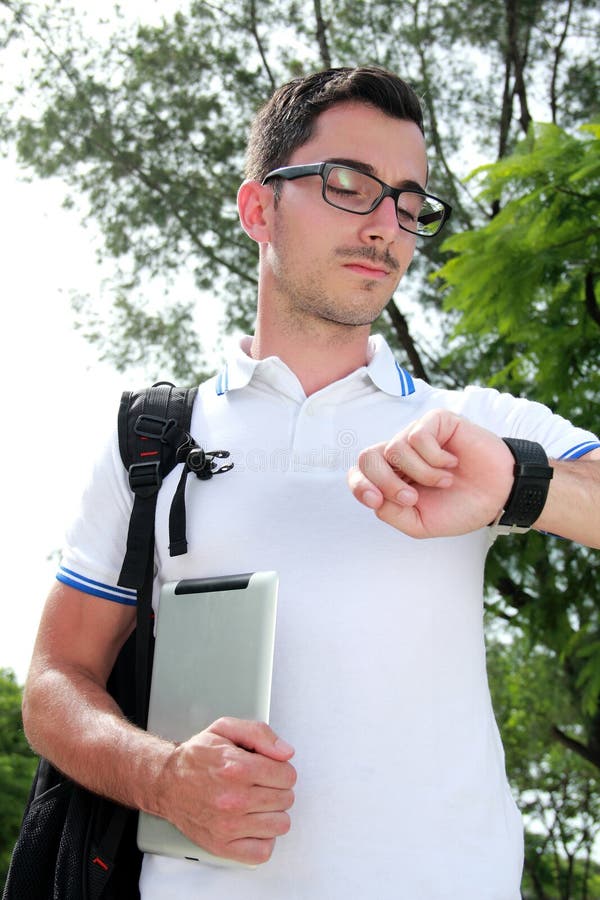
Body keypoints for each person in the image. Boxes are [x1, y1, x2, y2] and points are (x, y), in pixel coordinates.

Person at [22, 65, 600, 900]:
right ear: (258, 207)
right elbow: (54, 681)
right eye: (350, 185)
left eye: (409, 201)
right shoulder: (151, 441)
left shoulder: (471, 423)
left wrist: (520, 483)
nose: (387, 227)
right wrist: (161, 778)